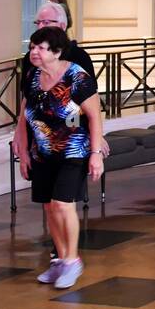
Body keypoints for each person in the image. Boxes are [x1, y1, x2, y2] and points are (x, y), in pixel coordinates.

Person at [14, 26, 105, 289]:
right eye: (32, 47)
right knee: (48, 206)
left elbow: (94, 116)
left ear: (56, 52)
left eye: (41, 48)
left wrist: (96, 153)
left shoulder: (78, 77)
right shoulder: (33, 76)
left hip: (73, 150)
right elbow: (25, 113)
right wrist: (22, 149)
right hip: (42, 152)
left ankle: (72, 260)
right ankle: (60, 261)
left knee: (63, 204)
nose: (34, 53)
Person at [21, 3, 98, 93]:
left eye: (46, 22)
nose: (40, 27)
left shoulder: (79, 56)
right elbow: (26, 94)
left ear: (62, 26)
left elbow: (91, 94)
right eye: (38, 22)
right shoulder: (31, 57)